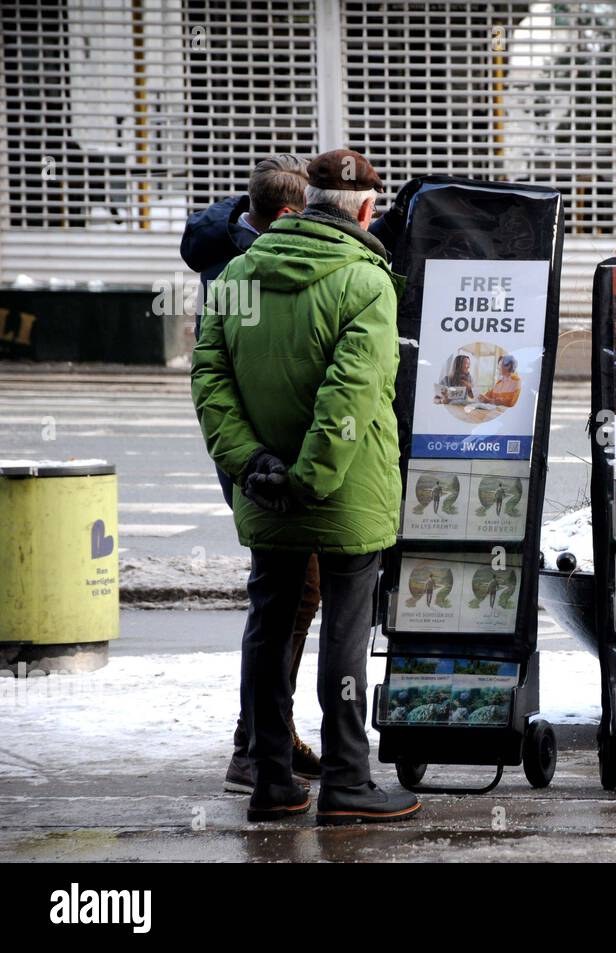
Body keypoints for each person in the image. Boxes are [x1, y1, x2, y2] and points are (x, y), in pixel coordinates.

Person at [191, 148, 420, 825]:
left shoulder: (236, 274)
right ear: (368, 210)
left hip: (264, 492)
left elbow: (210, 379)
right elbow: (351, 394)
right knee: (345, 634)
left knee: (267, 627)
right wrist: (310, 479)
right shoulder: (367, 282)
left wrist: (254, 464)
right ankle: (349, 777)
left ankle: (270, 777)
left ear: (304, 205)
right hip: (343, 497)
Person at [180, 154, 324, 793]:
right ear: (289, 214)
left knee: (284, 594)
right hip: (276, 459)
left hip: (245, 453)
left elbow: (212, 374)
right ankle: (255, 744)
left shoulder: (225, 253)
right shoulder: (258, 266)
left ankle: (268, 737)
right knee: (287, 598)